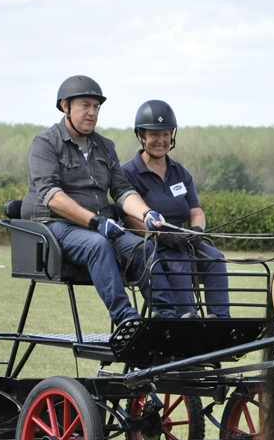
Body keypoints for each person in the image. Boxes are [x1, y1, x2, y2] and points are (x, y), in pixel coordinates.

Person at [22, 76, 178, 326]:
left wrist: (147, 213)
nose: (92, 113)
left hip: (99, 226)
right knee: (98, 245)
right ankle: (127, 321)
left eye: (96, 107)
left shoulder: (105, 147)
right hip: (55, 226)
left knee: (144, 248)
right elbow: (52, 196)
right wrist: (95, 222)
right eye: (85, 105)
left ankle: (169, 319)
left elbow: (122, 191)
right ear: (65, 106)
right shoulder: (45, 143)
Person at [121, 100, 230, 318]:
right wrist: (160, 237)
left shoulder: (180, 172)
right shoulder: (128, 172)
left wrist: (197, 231)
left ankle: (220, 323)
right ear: (141, 136)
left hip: (181, 241)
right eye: (154, 135)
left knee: (215, 259)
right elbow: (128, 219)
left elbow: (196, 211)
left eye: (166, 134)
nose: (161, 141)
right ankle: (185, 321)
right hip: (150, 245)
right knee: (180, 264)